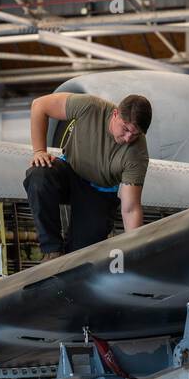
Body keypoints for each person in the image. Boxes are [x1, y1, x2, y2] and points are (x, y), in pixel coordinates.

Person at [25, 92, 151, 260]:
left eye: (135, 134)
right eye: (126, 129)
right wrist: (39, 151)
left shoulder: (137, 154)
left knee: (80, 257)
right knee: (39, 174)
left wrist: (136, 251)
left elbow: (130, 208)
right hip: (70, 172)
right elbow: (39, 105)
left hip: (100, 191)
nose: (128, 138)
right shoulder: (90, 107)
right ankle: (51, 250)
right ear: (115, 114)